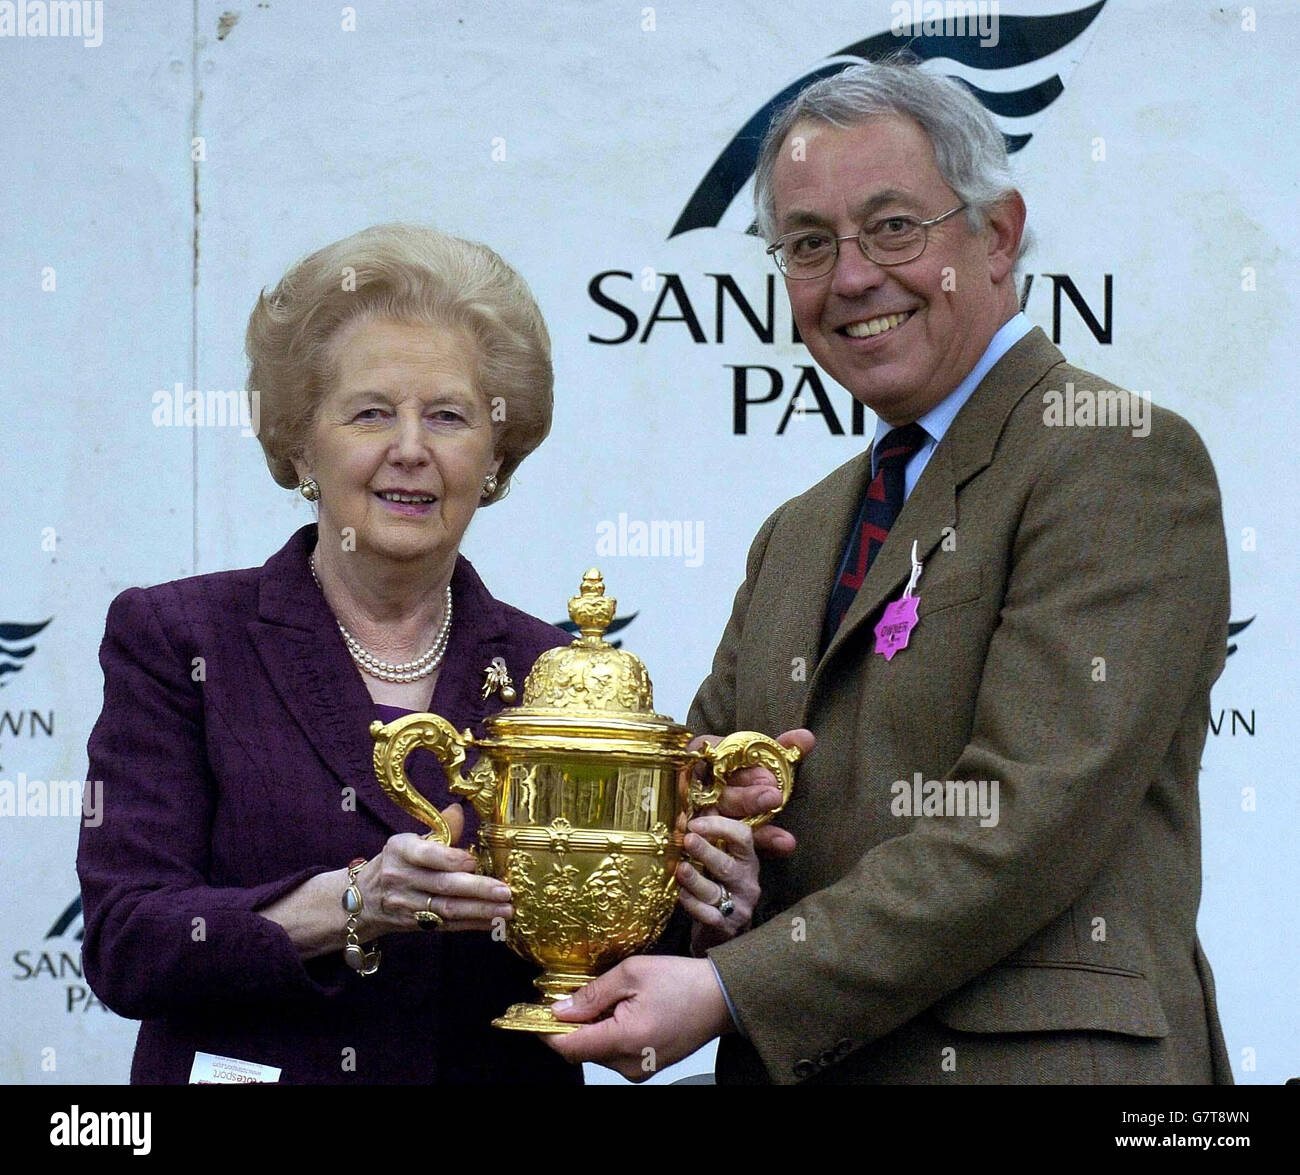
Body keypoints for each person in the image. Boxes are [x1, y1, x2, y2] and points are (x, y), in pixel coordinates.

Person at [548, 60, 1232, 1085]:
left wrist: (736, 986)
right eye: (808, 244)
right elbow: (707, 805)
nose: (852, 276)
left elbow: (1024, 820)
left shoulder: (1115, 454)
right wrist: (710, 871)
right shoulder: (796, 532)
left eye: (893, 227)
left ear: (996, 235)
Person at [76, 223, 755, 1084]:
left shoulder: (556, 676)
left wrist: (708, 909)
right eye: (370, 412)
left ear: (495, 455)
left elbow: (608, 953)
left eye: (447, 416)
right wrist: (351, 903)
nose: (410, 449)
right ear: (300, 442)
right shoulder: (181, 638)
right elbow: (129, 941)